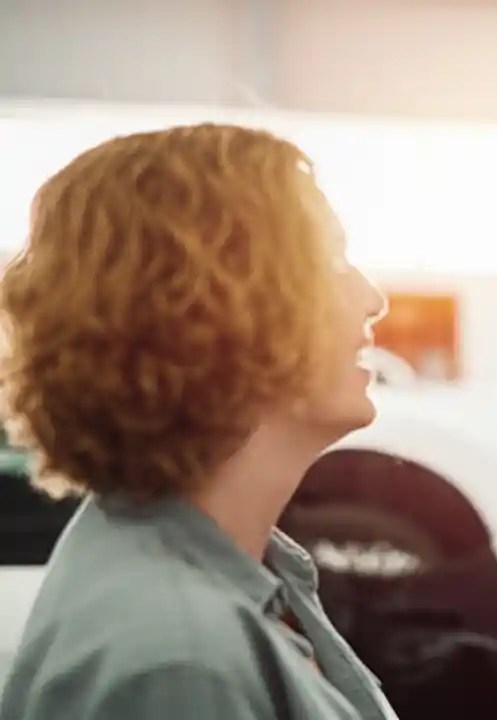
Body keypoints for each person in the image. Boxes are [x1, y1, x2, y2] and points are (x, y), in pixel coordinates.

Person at [0, 123, 398, 719]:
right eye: (331, 260)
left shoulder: (238, 575)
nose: (373, 298)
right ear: (217, 305)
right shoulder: (176, 662)